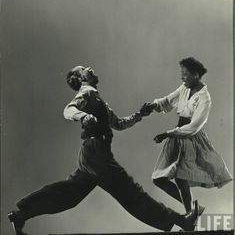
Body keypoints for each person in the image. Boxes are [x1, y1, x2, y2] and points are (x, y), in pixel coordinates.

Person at [8, 65, 199, 235]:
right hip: (96, 153)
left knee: (68, 195)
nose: (89, 68)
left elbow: (119, 124)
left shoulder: (97, 99)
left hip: (91, 155)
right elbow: (68, 109)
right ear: (81, 78)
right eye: (83, 69)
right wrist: (82, 117)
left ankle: (22, 214)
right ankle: (181, 220)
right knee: (130, 191)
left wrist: (140, 114)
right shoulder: (87, 93)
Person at [143, 57, 232, 215]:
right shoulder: (184, 88)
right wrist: (154, 105)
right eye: (181, 74)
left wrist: (167, 134)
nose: (182, 77)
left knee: (180, 177)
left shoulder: (205, 99)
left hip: (191, 139)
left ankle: (190, 214)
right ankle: (193, 210)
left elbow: (193, 128)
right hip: (177, 135)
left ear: (196, 75)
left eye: (185, 74)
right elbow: (168, 101)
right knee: (159, 178)